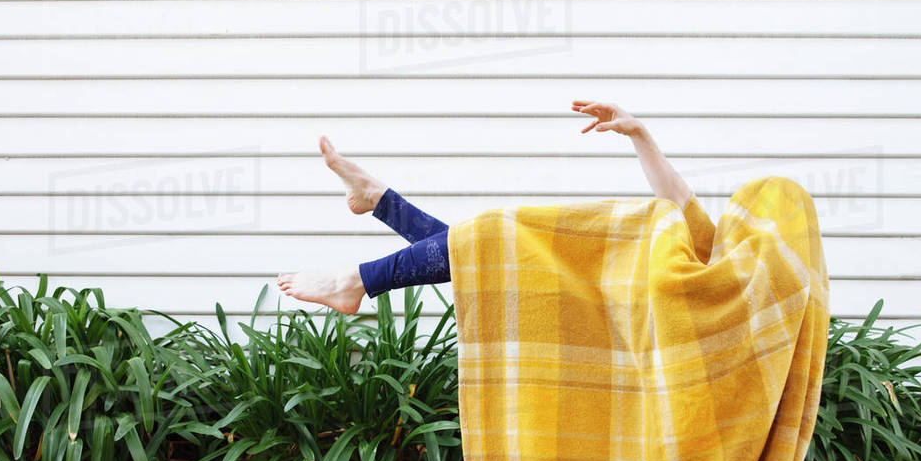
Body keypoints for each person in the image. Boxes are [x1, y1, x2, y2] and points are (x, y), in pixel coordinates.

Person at [275, 100, 693, 311]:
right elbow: (682, 212)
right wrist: (639, 133)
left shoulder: (726, 281)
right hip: (624, 266)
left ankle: (357, 274)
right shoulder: (714, 243)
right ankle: (378, 206)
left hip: (628, 290)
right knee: (484, 243)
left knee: (491, 239)